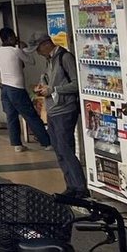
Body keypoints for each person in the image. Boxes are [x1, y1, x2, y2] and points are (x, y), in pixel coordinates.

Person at [35, 36, 87, 198]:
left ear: (46, 44)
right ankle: (70, 185)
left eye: (38, 48)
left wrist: (53, 89)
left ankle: (80, 187)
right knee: (59, 149)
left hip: (65, 109)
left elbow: (76, 83)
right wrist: (42, 87)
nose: (37, 53)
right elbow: (49, 81)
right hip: (52, 110)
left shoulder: (65, 58)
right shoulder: (49, 60)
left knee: (66, 148)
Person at [0, 26, 50, 153]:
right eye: (14, 36)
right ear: (9, 38)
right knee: (30, 115)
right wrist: (24, 48)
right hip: (17, 88)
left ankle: (17, 144)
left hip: (4, 88)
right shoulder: (16, 51)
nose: (16, 38)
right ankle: (46, 142)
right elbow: (31, 61)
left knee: (11, 116)